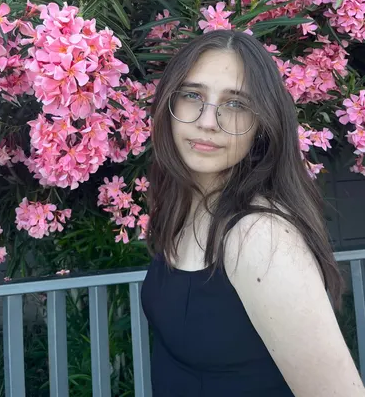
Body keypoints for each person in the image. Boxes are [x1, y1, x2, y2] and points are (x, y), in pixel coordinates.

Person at [141, 29, 365, 396]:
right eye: (192, 95)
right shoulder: (187, 209)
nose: (208, 121)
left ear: (261, 126)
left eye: (235, 104)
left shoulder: (260, 236)